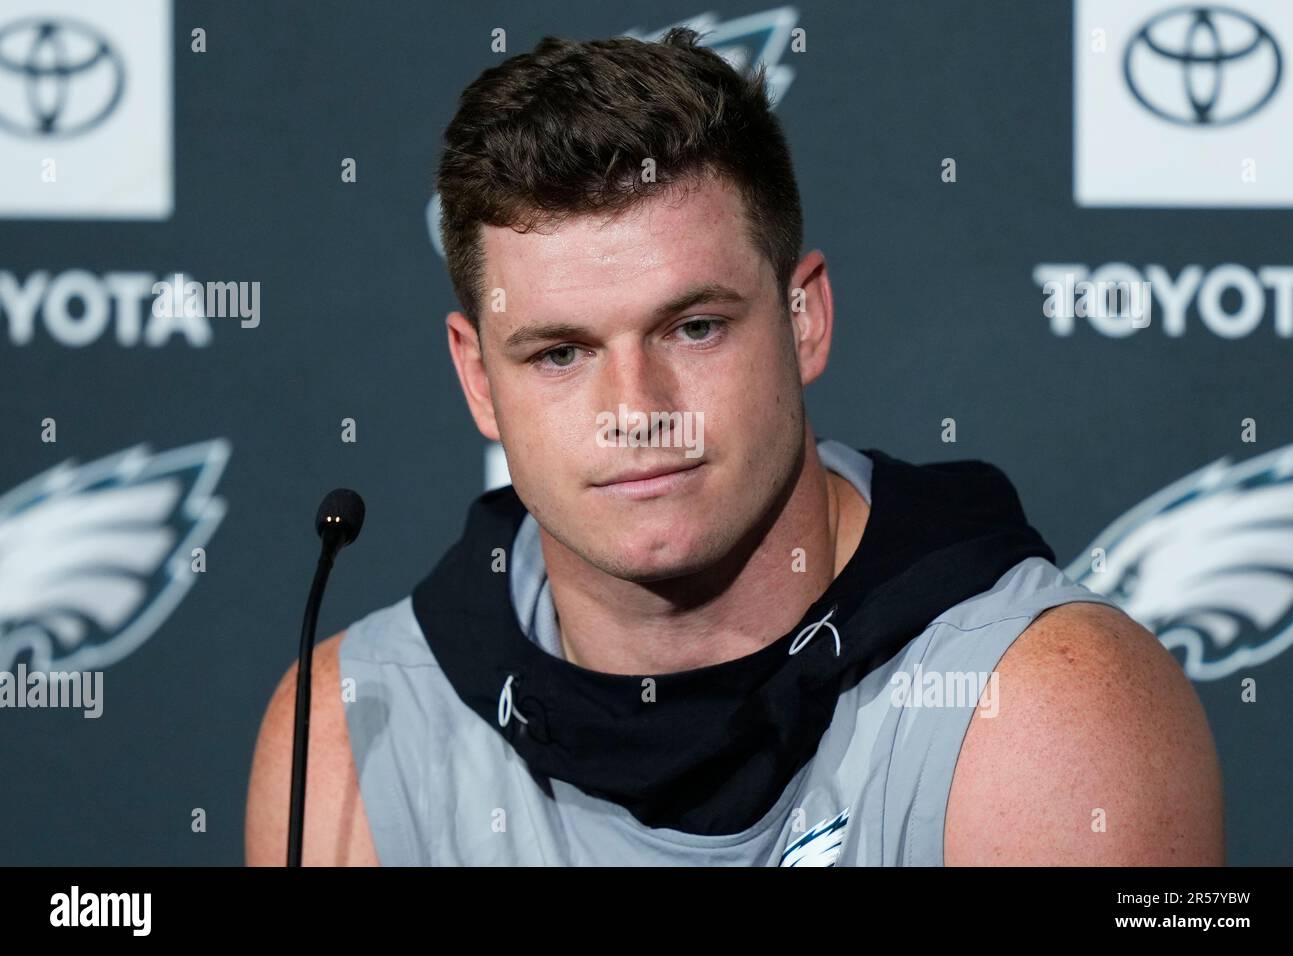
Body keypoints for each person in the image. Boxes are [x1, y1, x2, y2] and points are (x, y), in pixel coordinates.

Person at [245, 27, 1223, 866]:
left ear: (804, 319)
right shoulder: (353, 734)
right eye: (558, 351)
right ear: (477, 380)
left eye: (694, 327)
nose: (637, 410)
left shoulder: (1043, 712)